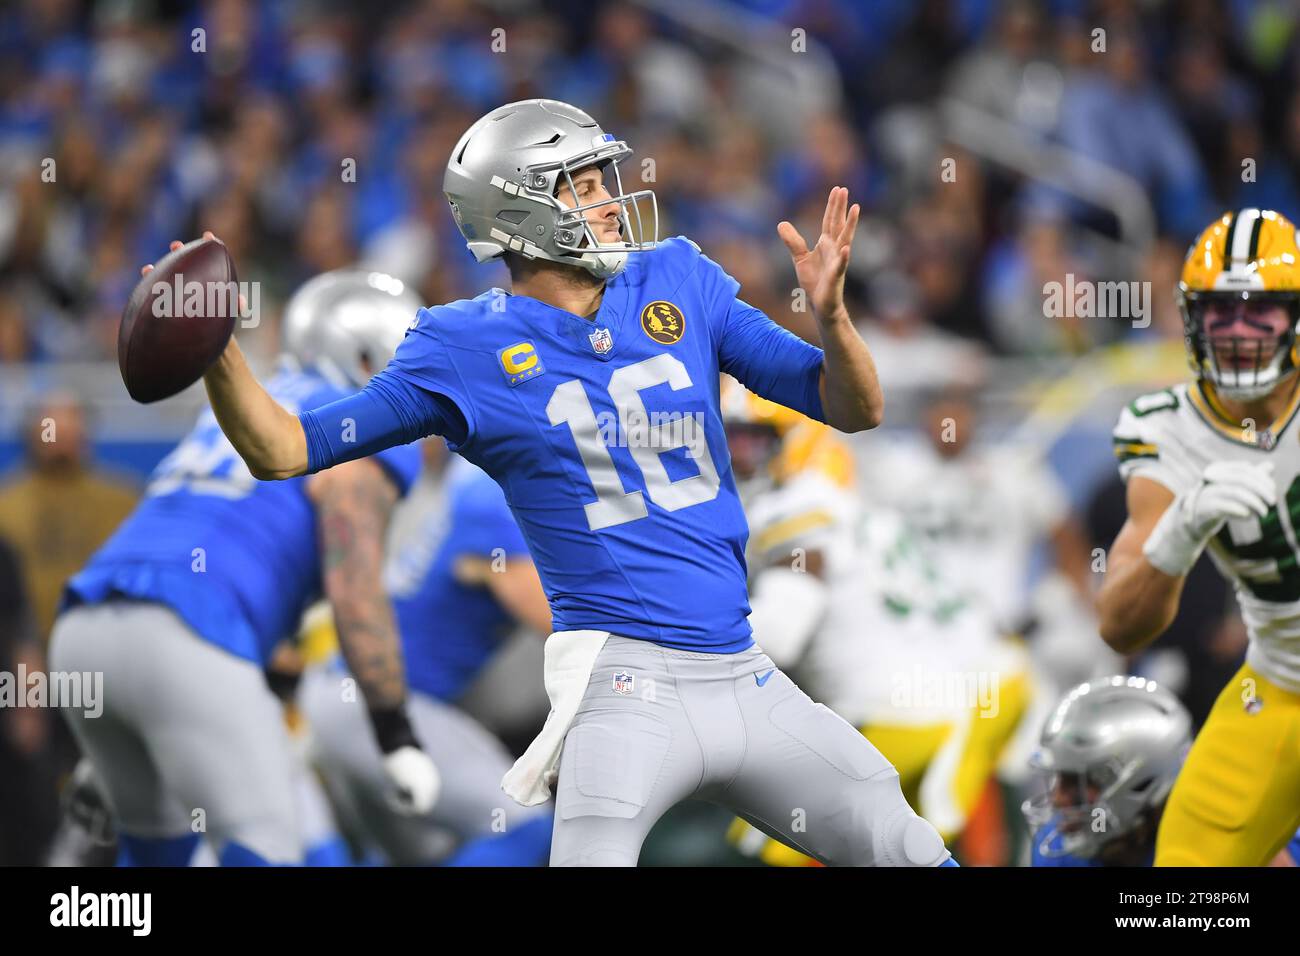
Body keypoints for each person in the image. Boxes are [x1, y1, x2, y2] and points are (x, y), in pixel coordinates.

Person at [167, 98, 955, 867]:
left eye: (605, 180)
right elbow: (284, 446)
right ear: (519, 213)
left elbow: (851, 405)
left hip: (745, 670)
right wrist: (216, 349)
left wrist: (833, 320)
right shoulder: (461, 347)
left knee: (907, 846)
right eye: (583, 184)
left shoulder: (680, 277)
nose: (611, 200)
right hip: (626, 686)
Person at [49, 270, 438, 866]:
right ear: (370, 355)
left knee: (158, 861)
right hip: (191, 636)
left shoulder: (243, 405)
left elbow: (189, 549)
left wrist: (109, 747)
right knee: (267, 849)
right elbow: (354, 588)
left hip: (86, 628)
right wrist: (394, 731)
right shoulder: (363, 423)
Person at [720, 383, 1029, 865]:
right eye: (728, 439)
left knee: (764, 847)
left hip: (888, 714)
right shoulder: (848, 503)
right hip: (948, 698)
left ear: (791, 443)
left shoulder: (796, 512)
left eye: (750, 441)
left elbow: (782, 631)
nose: (735, 457)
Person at [1098, 207, 1300, 865]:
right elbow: (1120, 625)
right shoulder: (1168, 429)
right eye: (1221, 311)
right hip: (1276, 687)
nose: (1239, 331)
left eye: (1259, 310)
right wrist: (1178, 532)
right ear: (1192, 319)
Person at [300, 453, 555, 866]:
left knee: (414, 857)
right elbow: (562, 623)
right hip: (380, 709)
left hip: (346, 700)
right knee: (522, 826)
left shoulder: (476, 478)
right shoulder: (493, 497)